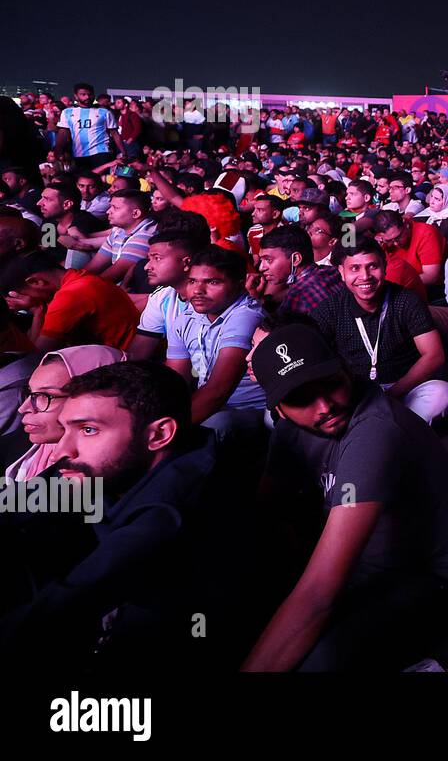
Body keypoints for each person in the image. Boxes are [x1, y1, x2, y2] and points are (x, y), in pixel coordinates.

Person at [0, 362, 258, 669]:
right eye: (67, 428)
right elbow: (16, 504)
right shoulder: (113, 461)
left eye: (88, 429)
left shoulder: (172, 510)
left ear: (159, 434)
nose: (61, 451)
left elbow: (70, 598)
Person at [245, 324, 448, 671]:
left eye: (330, 383)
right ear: (278, 410)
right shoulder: (290, 429)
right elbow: (266, 510)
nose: (324, 406)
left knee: (315, 661)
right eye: (301, 397)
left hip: (422, 576)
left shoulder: (375, 432)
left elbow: (320, 594)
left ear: (345, 369)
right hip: (358, 564)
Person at [309, 238, 448, 423]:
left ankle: (385, 433)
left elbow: (434, 355)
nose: (365, 276)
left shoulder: (406, 300)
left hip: (403, 388)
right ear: (342, 272)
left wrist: (393, 393)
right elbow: (307, 351)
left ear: (385, 267)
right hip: (356, 395)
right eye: (355, 268)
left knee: (442, 393)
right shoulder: (332, 307)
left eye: (372, 266)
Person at [164, 245, 267, 431]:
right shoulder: (185, 319)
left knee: (217, 425)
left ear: (238, 284)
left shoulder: (247, 316)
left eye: (212, 282)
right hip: (210, 405)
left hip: (250, 411)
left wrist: (168, 433)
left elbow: (218, 391)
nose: (197, 290)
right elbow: (174, 382)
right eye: (192, 281)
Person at [7, 345, 127, 480]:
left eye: (46, 395)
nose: (23, 408)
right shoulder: (12, 445)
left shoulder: (95, 475)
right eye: (30, 393)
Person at [1, 250, 138, 352]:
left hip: (125, 358)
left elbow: (36, 357)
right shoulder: (78, 277)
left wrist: (37, 310)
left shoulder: (69, 296)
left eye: (23, 294)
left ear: (36, 281)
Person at [127, 225, 207, 360]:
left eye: (157, 258)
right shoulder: (161, 297)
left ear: (186, 262)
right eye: (149, 259)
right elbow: (137, 354)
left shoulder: (212, 300)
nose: (147, 266)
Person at [81, 190, 156, 287]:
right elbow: (93, 266)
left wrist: (79, 287)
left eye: (115, 208)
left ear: (136, 213)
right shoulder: (118, 231)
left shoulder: (146, 235)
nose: (108, 212)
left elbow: (115, 274)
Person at [373, 209, 448, 291]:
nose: (396, 244)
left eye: (398, 237)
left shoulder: (426, 233)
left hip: (428, 290)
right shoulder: (382, 243)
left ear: (406, 224)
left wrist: (399, 282)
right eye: (390, 240)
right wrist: (378, 249)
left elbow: (431, 277)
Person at [56, 82, 122, 170]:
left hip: (101, 152)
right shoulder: (67, 112)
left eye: (89, 94)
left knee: (100, 180)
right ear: (76, 96)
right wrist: (58, 150)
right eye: (83, 94)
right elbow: (63, 133)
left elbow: (114, 133)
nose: (87, 97)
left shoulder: (104, 112)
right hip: (78, 153)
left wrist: (123, 152)